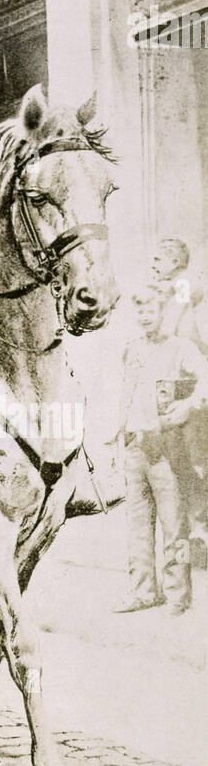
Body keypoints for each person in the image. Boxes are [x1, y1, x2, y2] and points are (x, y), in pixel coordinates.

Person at [116, 285, 208, 615]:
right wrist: (118, 434)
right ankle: (142, 592)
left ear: (163, 311)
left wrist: (189, 404)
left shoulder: (180, 347)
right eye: (139, 310)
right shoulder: (130, 350)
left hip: (166, 449)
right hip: (134, 448)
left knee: (174, 525)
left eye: (151, 310)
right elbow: (127, 395)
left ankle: (177, 596)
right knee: (137, 527)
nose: (145, 316)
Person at [149, 238, 208, 563]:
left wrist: (168, 291)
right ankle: (191, 534)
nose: (154, 264)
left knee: (195, 462)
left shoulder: (185, 286)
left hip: (192, 385)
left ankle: (200, 531)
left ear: (175, 261)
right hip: (168, 386)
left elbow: (189, 296)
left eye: (159, 259)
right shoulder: (166, 292)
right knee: (177, 465)